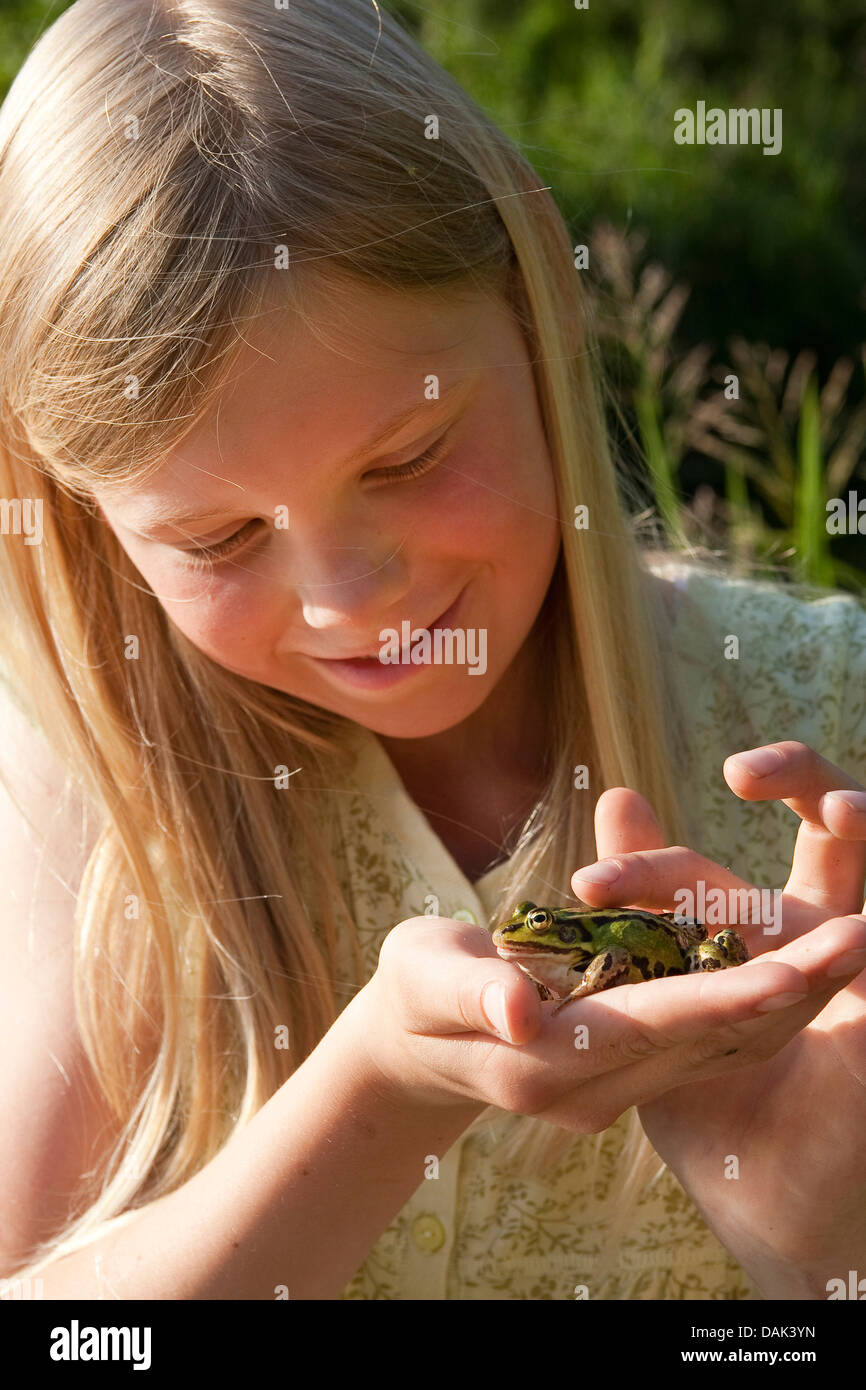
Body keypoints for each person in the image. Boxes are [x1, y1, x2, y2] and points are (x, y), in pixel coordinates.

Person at [0, 0, 864, 1301]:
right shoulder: (79, 781)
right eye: (221, 537)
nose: (348, 600)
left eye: (406, 458)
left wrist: (814, 1237)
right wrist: (380, 1085)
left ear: (533, 295)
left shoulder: (826, 711)